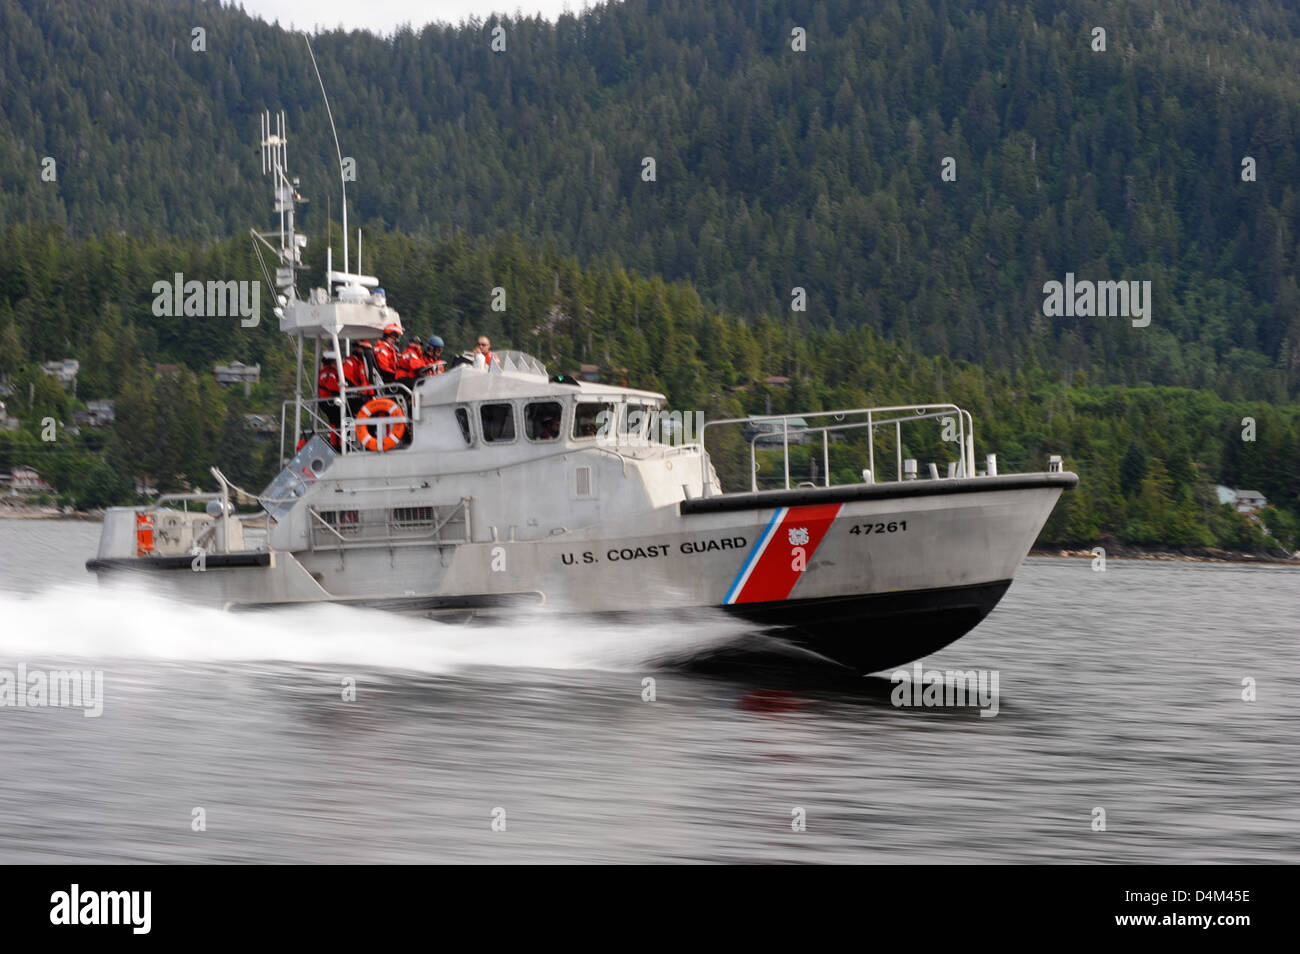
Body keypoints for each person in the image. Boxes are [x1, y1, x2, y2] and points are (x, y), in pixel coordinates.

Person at [317, 350, 342, 448]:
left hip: (327, 401)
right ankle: (340, 443)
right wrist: (343, 392)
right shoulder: (329, 373)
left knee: (335, 422)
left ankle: (338, 442)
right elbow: (332, 387)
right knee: (340, 420)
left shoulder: (326, 372)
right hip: (329, 402)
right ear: (332, 362)